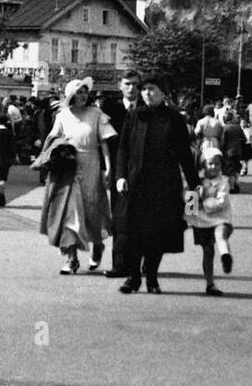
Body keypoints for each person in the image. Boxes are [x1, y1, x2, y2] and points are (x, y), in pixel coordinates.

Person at [114, 79, 199, 294]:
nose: (147, 93)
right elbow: (123, 148)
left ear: (163, 92)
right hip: (135, 183)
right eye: (144, 89)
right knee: (132, 232)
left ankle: (151, 277)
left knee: (157, 234)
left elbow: (184, 153)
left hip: (163, 184)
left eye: (152, 89)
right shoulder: (134, 115)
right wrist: (120, 176)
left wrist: (194, 183)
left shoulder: (174, 119)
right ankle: (133, 278)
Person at [37, 78, 116, 273]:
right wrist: (55, 149)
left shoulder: (96, 114)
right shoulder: (63, 115)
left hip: (91, 164)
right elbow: (53, 137)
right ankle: (72, 258)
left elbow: (105, 142)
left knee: (92, 210)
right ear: (70, 95)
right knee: (69, 212)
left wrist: (109, 168)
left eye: (84, 92)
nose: (82, 95)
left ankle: (98, 245)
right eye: (78, 92)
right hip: (68, 167)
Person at [102, 73, 143, 278]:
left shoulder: (147, 108)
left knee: (141, 219)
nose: (131, 88)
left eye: (135, 84)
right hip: (119, 170)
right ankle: (118, 264)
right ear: (120, 85)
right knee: (119, 218)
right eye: (127, 84)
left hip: (142, 171)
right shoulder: (110, 109)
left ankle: (137, 263)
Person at [187, 147, 234, 296]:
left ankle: (225, 255)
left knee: (221, 234)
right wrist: (194, 197)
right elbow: (190, 206)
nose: (214, 167)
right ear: (203, 165)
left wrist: (203, 204)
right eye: (210, 163)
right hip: (201, 221)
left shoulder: (223, 182)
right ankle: (210, 283)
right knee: (208, 251)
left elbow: (221, 202)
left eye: (217, 164)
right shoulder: (196, 180)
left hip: (220, 217)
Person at [219, 110, 249, 192]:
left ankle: (231, 187)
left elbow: (223, 141)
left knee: (230, 169)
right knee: (237, 167)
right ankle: (236, 183)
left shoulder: (225, 128)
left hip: (228, 151)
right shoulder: (238, 127)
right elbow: (244, 139)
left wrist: (221, 150)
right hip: (238, 150)